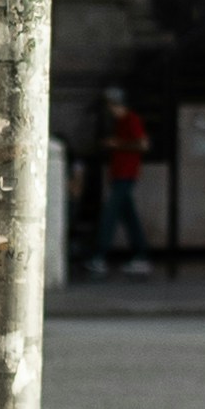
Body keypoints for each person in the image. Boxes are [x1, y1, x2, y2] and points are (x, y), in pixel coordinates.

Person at [83, 87, 155, 277]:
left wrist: (117, 144)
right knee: (130, 218)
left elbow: (143, 144)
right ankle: (141, 256)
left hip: (126, 175)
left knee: (110, 214)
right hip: (119, 175)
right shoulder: (120, 123)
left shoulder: (131, 120)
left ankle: (99, 256)